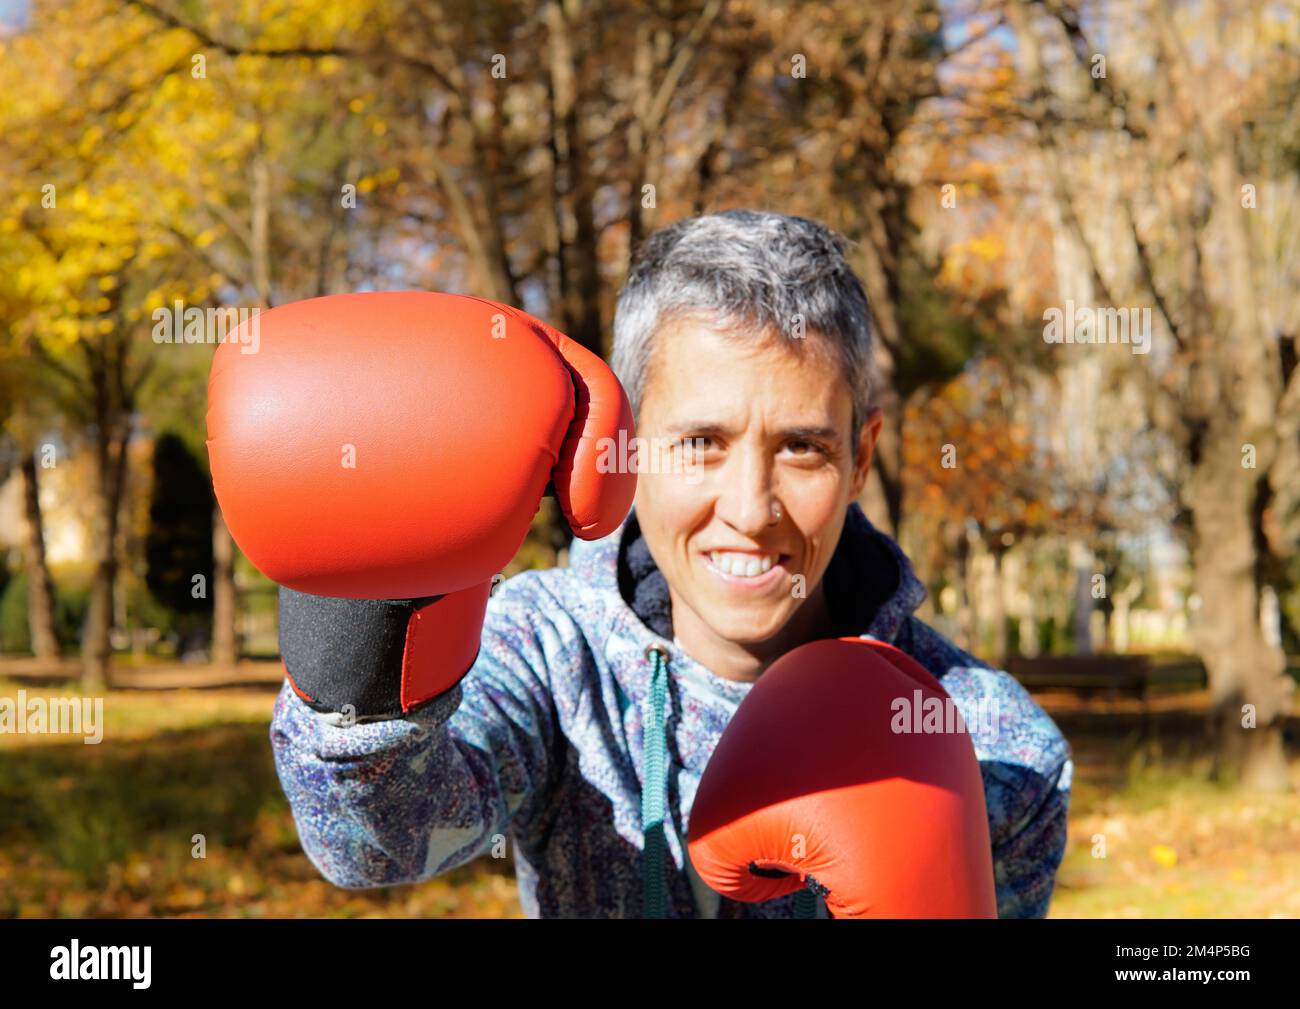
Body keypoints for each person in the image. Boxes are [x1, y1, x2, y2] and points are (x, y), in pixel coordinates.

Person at [262, 209, 1072, 918]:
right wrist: (356, 633)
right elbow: (377, 843)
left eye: (802, 446)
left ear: (861, 458)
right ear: (629, 446)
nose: (752, 509)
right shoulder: (552, 649)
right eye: (700, 443)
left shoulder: (990, 742)